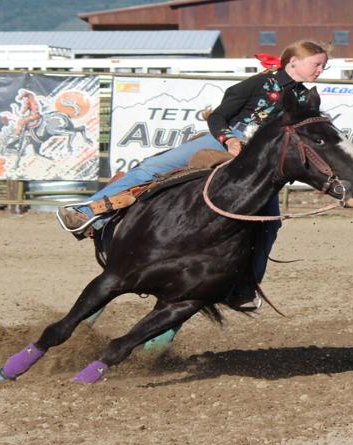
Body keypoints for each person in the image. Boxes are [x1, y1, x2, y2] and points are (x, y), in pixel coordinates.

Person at [62, 40, 330, 309]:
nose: (320, 70)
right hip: (222, 140)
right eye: (316, 64)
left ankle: (245, 286)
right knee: (151, 168)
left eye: (323, 66)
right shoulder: (257, 83)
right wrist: (230, 140)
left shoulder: (302, 100)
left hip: (258, 161)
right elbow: (218, 118)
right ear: (293, 61)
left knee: (270, 223)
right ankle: (88, 212)